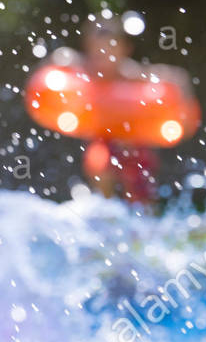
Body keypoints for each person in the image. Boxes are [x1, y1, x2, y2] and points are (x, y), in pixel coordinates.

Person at [51, 15, 194, 205]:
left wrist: (182, 102)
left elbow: (177, 77)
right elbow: (53, 67)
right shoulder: (83, 70)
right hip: (103, 141)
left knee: (140, 186)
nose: (103, 55)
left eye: (110, 49)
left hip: (133, 143)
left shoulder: (129, 73)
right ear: (87, 48)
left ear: (126, 50)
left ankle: (144, 216)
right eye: (97, 50)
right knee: (100, 164)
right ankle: (106, 209)